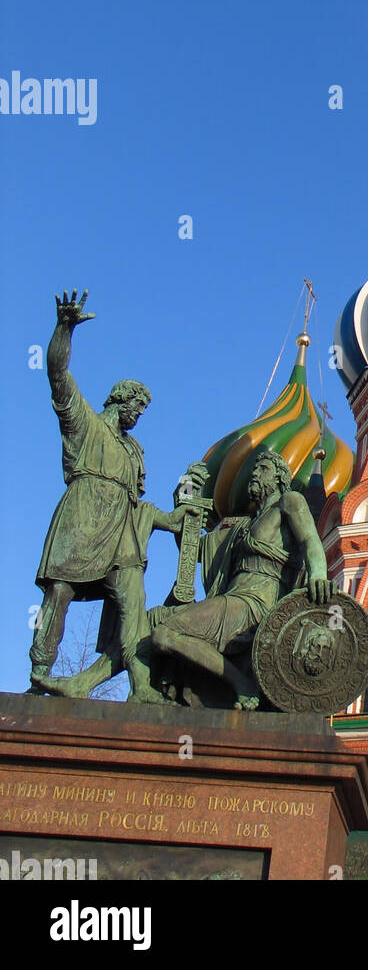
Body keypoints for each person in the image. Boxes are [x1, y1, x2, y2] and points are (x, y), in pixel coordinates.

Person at [29, 290, 194, 702]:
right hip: (82, 516)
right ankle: (39, 674)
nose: (139, 413)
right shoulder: (84, 424)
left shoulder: (134, 451)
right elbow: (57, 375)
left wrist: (173, 521)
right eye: (136, 404)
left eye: (143, 408)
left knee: (131, 605)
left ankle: (141, 687)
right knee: (60, 593)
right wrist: (64, 328)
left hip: (123, 533)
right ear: (119, 399)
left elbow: (139, 505)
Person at [150, 448, 333, 709]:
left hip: (256, 604)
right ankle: (235, 683)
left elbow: (310, 540)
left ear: (280, 479)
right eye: (255, 469)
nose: (255, 474)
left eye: (263, 469)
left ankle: (242, 685)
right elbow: (195, 549)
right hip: (232, 599)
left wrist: (318, 574)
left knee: (165, 634)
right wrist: (186, 493)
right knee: (160, 632)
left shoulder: (289, 501)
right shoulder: (242, 527)